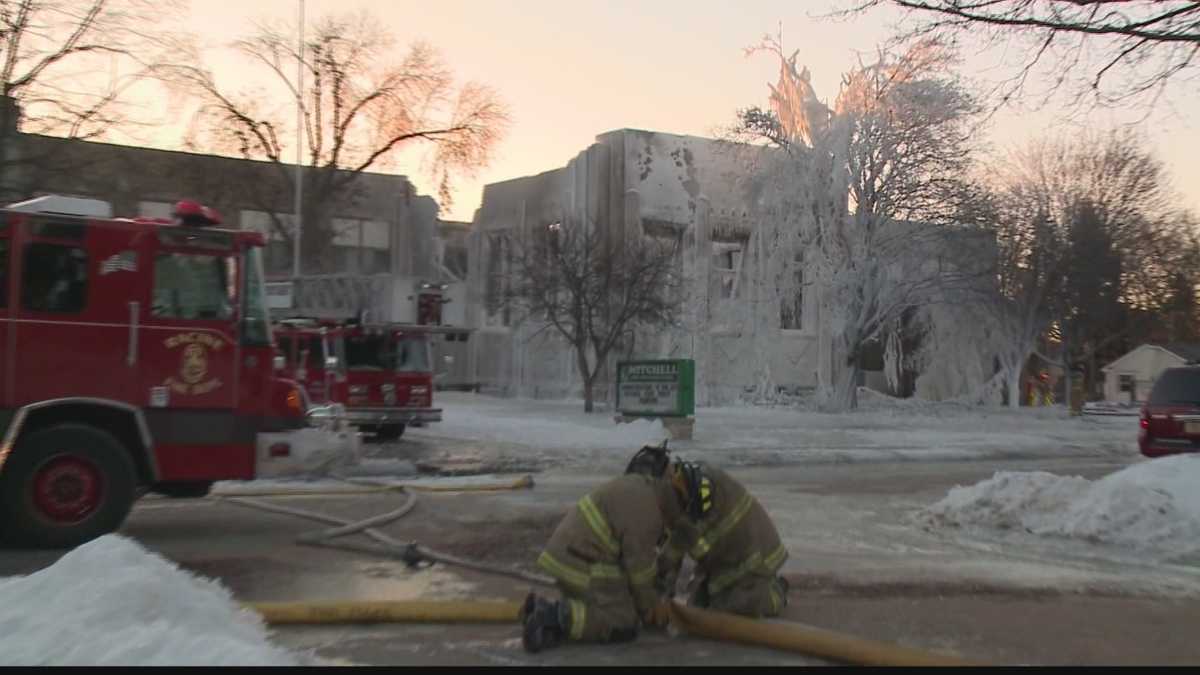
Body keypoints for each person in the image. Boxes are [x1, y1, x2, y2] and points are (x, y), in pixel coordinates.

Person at [519, 441, 678, 653]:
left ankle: (543, 613)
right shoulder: (645, 506)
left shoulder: (632, 490)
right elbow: (639, 571)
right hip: (582, 565)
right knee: (623, 624)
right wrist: (651, 609)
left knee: (616, 607)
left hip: (573, 559)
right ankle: (553, 617)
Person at [653, 454, 790, 618]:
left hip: (756, 558)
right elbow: (675, 546)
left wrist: (656, 583)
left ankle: (776, 594)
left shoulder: (686, 498)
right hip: (728, 559)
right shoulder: (685, 486)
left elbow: (675, 547)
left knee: (733, 607)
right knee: (700, 605)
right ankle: (758, 586)